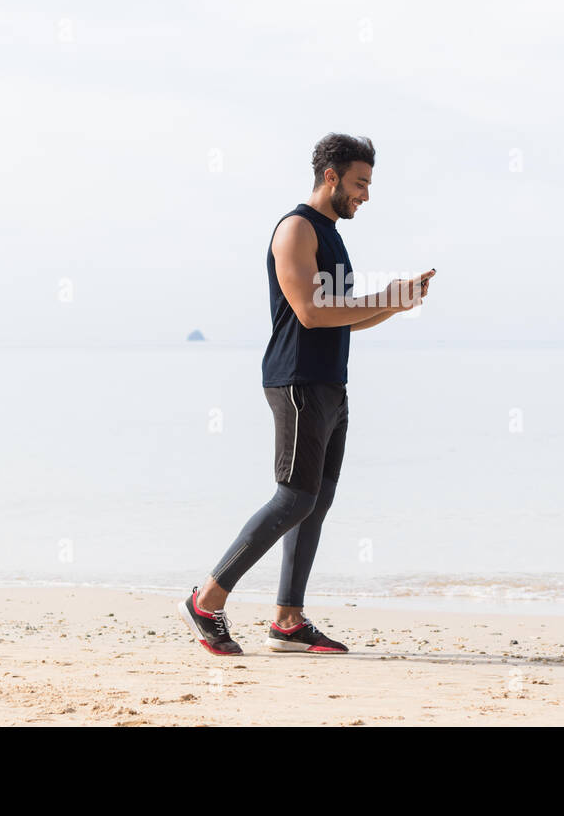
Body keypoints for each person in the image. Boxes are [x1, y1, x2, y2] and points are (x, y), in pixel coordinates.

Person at [178, 133, 435, 655]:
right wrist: (383, 297)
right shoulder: (296, 229)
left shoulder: (333, 235)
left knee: (315, 504)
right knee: (294, 497)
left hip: (331, 384)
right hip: (295, 382)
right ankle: (206, 600)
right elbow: (310, 314)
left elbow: (341, 321)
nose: (366, 195)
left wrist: (396, 304)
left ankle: (287, 621)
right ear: (331, 177)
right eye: (360, 183)